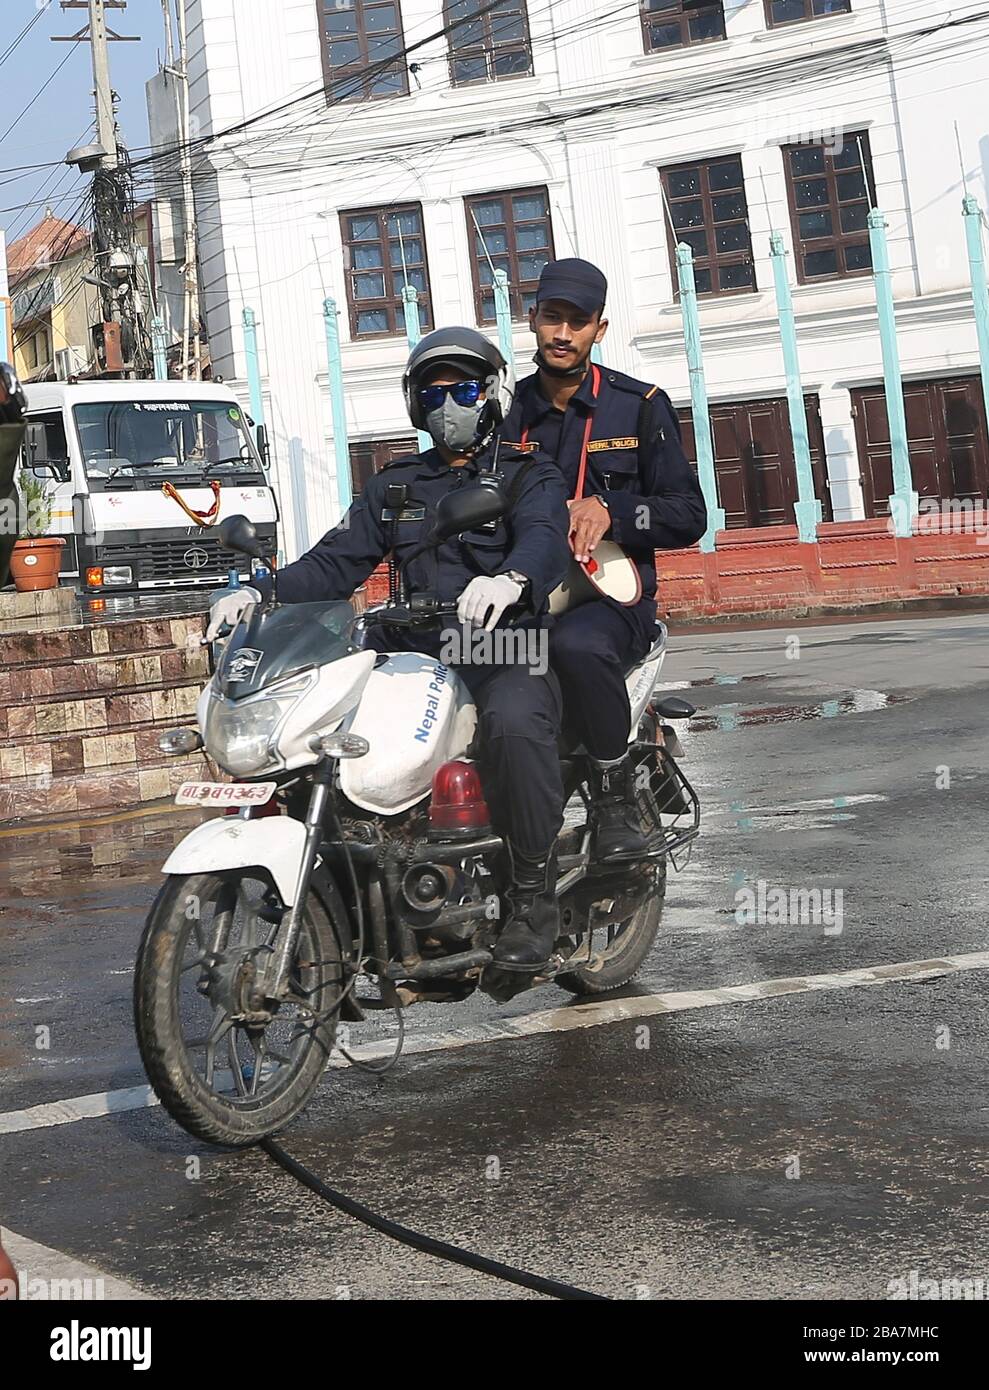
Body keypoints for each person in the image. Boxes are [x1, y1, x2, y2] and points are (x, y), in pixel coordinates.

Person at [206, 328, 572, 974]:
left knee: (514, 725)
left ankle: (531, 898)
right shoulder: (394, 484)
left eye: (462, 390)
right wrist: (259, 592)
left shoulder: (526, 473)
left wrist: (511, 578)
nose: (447, 405)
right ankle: (343, 894)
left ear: (493, 395)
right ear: (413, 405)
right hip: (407, 646)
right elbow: (332, 565)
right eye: (433, 393)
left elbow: (545, 540)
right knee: (320, 736)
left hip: (502, 644)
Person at [501, 258, 708, 861]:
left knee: (576, 645)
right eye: (551, 318)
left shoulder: (639, 406)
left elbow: (688, 516)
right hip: (525, 594)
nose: (562, 334)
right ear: (531, 320)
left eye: (578, 322)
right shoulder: (504, 416)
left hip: (612, 599)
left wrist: (613, 509)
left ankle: (615, 792)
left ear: (600, 328)